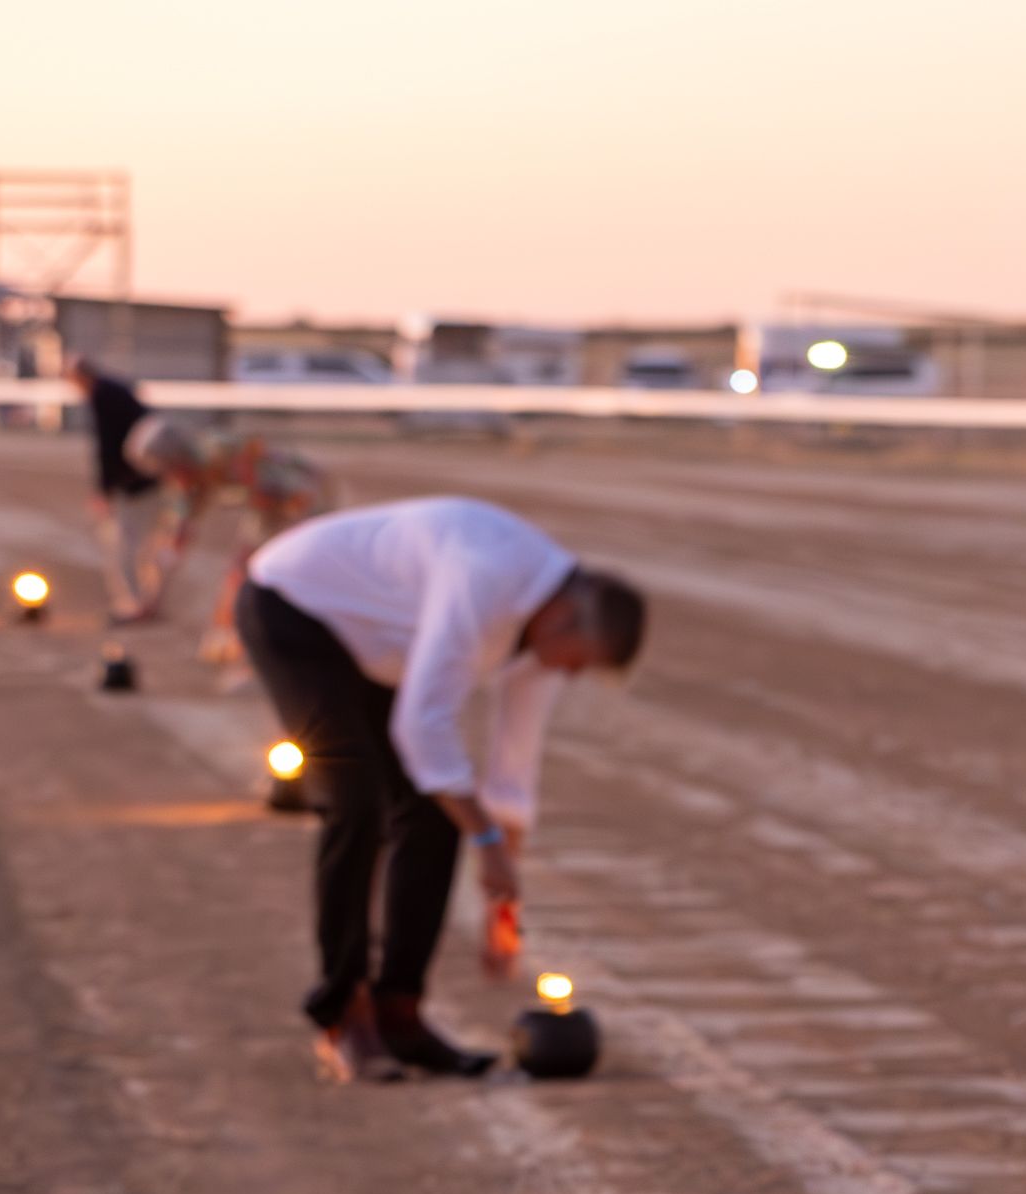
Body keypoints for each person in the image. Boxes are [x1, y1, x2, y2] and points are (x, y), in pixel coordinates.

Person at [234, 499, 647, 1080]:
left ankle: (399, 1014)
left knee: (435, 812)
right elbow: (422, 726)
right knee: (355, 802)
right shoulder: (484, 579)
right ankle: (344, 1014)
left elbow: (513, 761)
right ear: (562, 622)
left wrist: (502, 900)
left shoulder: (550, 615)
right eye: (580, 663)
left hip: (375, 641)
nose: (573, 674)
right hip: (293, 606)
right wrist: (485, 840)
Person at [131, 417, 340, 663]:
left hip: (301, 495)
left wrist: (259, 549)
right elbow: (178, 536)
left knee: (294, 565)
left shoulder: (218, 452)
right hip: (274, 503)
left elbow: (270, 492)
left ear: (176, 458)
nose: (169, 478)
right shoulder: (191, 477)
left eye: (168, 468)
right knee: (245, 568)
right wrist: (152, 599)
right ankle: (238, 638)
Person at [68, 357, 169, 623]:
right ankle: (147, 602)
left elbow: (107, 448)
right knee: (145, 545)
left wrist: (104, 491)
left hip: (135, 485)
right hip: (147, 481)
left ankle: (134, 605)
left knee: (125, 546)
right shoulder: (114, 390)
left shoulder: (103, 395)